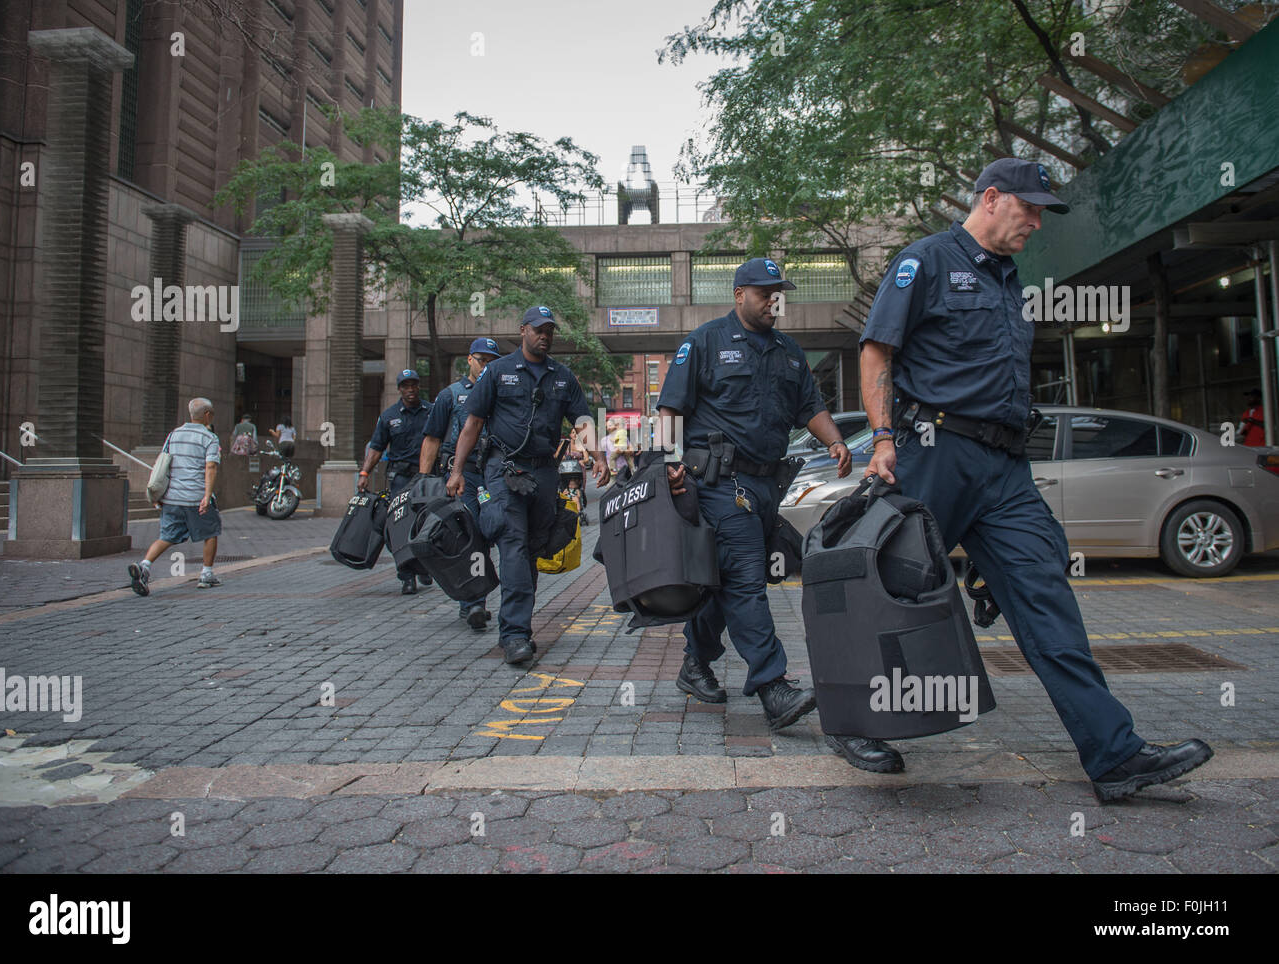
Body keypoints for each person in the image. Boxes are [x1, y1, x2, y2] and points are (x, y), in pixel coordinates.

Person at [854, 156, 1212, 801]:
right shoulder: (926, 261)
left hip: (1005, 467)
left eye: (1043, 210)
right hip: (935, 449)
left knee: (1048, 598)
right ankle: (853, 716)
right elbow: (878, 349)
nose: (1038, 222)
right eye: (1030, 207)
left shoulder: (1010, 280)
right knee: (897, 589)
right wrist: (881, 438)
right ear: (991, 198)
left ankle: (1114, 756)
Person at [656, 258, 852, 731]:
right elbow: (670, 409)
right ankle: (773, 686)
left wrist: (836, 441)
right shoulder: (704, 341)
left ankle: (694, 663)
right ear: (739, 293)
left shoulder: (789, 351)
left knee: (726, 583)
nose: (773, 300)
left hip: (768, 486)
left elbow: (810, 406)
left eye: (778, 292)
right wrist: (666, 465)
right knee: (746, 579)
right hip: (722, 485)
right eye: (764, 292)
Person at [447, 305, 610, 665]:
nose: (544, 335)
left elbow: (582, 421)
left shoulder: (563, 377)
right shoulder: (498, 372)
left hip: (544, 474)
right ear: (523, 331)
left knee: (533, 548)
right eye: (538, 329)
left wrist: (599, 456)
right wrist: (457, 470)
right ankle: (516, 635)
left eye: (549, 330)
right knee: (514, 543)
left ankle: (516, 622)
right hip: (504, 472)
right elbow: (472, 423)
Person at [419, 337, 503, 630]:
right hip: (462, 474)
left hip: (493, 474)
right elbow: (432, 438)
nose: (486, 366)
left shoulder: (501, 393)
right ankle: (473, 603)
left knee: (490, 531)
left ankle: (476, 595)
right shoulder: (451, 396)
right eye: (482, 360)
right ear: (469, 360)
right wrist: (424, 479)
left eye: (492, 361)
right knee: (469, 536)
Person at [128, 397, 224, 595]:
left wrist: (158, 494)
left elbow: (163, 463)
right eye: (212, 413)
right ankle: (206, 574)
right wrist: (207, 495)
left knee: (167, 536)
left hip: (172, 497)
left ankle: (145, 566)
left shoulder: (174, 435)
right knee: (210, 532)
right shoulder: (209, 438)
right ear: (207, 415)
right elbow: (211, 467)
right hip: (195, 496)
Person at [358, 368, 434, 594]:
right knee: (399, 529)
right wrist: (364, 473)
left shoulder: (431, 411)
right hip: (400, 478)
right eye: (405, 386)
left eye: (413, 385)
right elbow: (376, 448)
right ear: (399, 389)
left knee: (426, 524)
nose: (410, 390)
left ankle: (424, 567)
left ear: (418, 386)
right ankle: (406, 576)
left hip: (426, 478)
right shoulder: (389, 416)